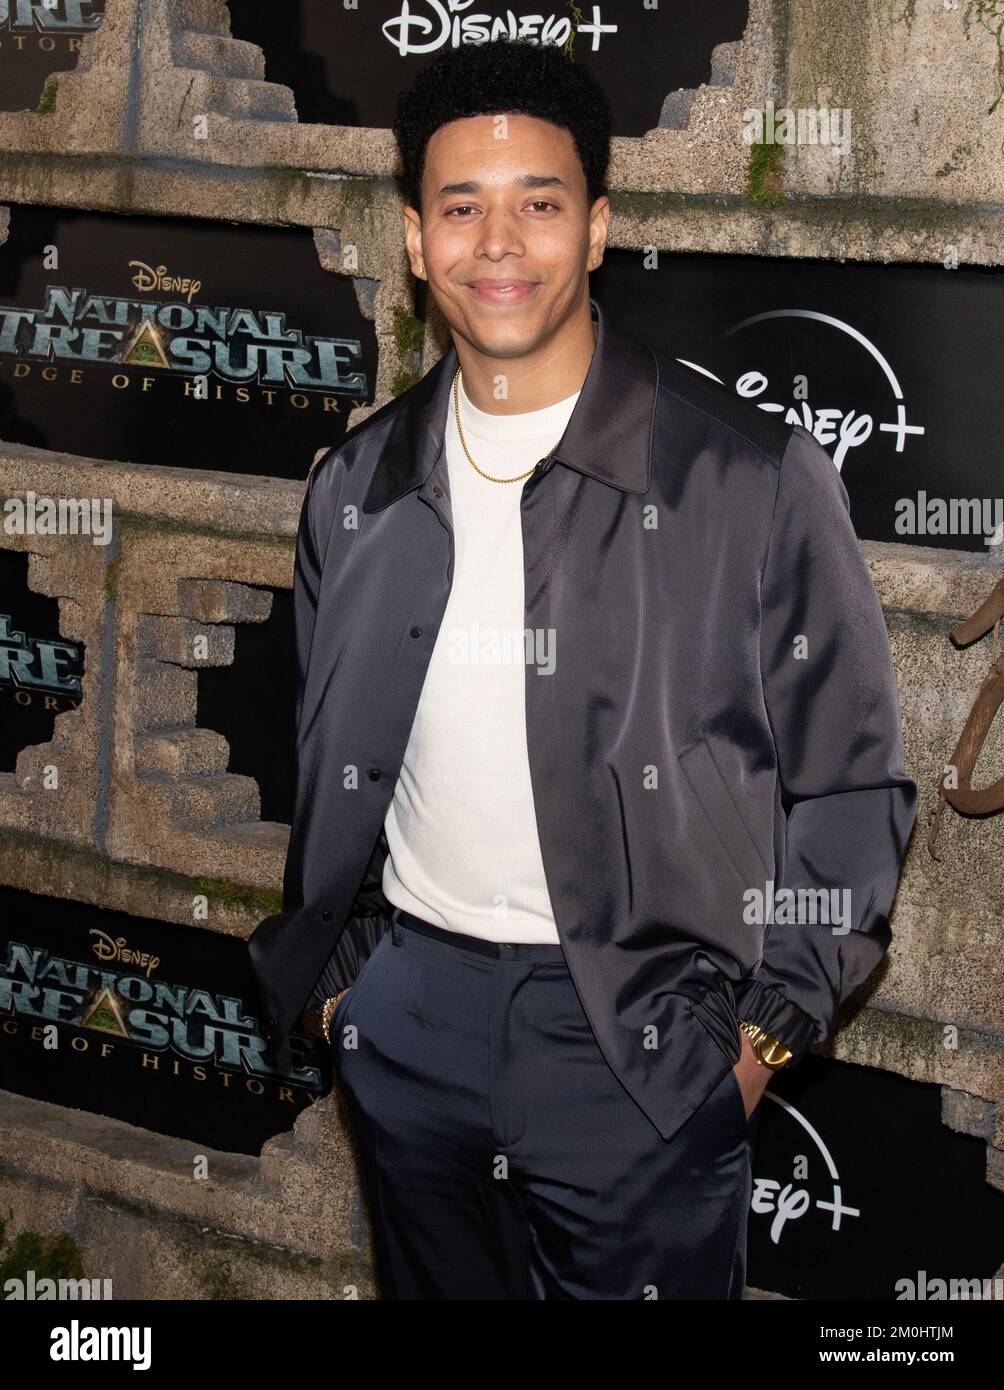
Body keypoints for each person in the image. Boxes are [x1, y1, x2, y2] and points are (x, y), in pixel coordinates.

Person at [248, 36, 917, 1300]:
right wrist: (347, 1001)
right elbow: (325, 755)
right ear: (412, 238)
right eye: (461, 206)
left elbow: (850, 788)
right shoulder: (356, 485)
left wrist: (763, 1033)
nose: (497, 241)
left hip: (642, 1042)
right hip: (409, 1018)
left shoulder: (747, 478)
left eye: (538, 203)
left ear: (597, 228)